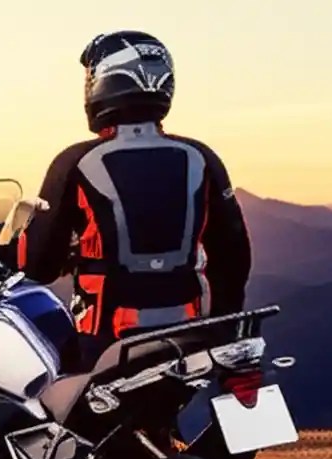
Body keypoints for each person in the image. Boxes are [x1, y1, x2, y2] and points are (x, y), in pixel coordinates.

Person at [16, 30, 253, 366]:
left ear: (108, 80)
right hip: (187, 335)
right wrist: (224, 324)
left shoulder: (75, 162)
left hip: (103, 342)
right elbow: (234, 256)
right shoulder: (201, 157)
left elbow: (39, 265)